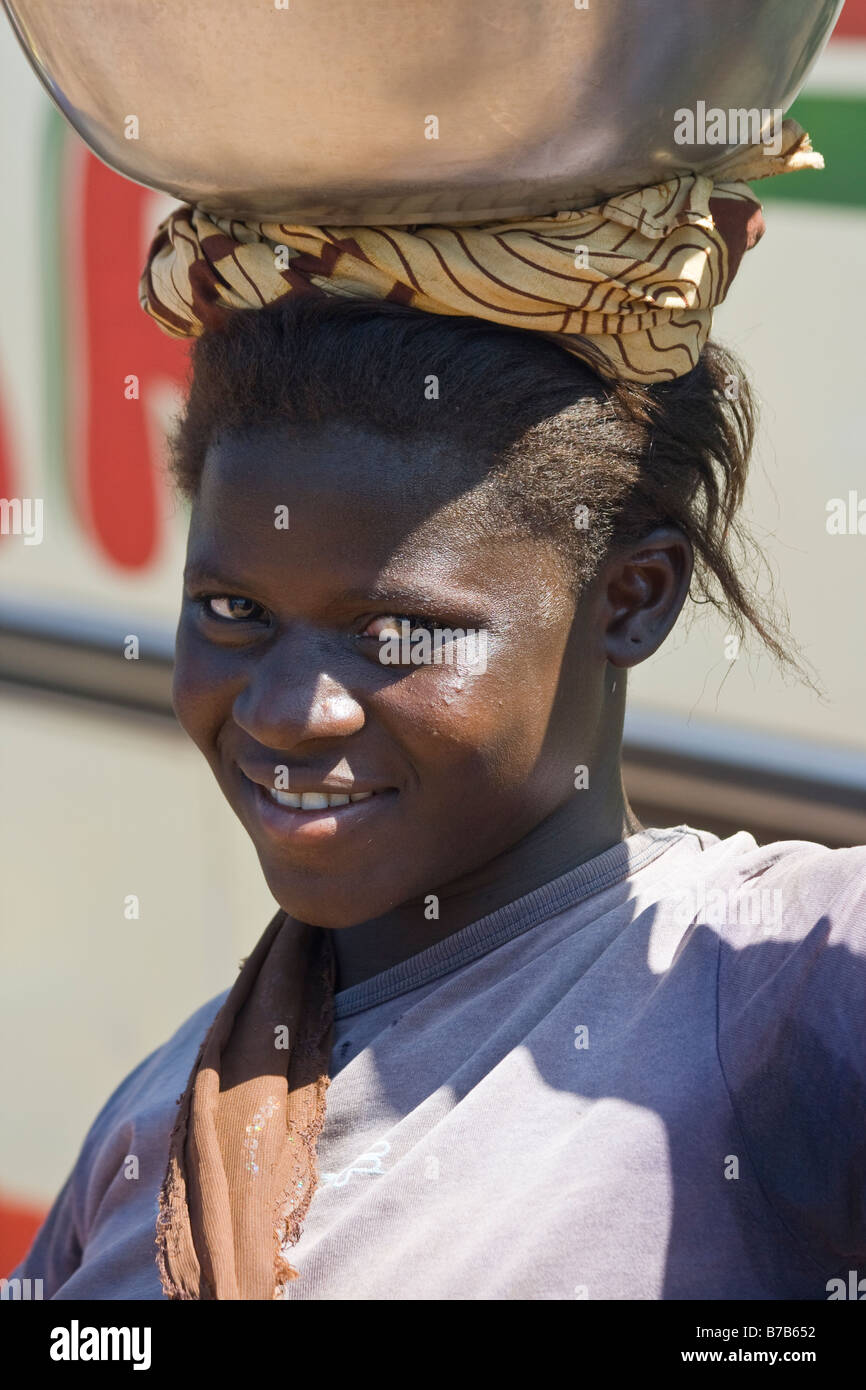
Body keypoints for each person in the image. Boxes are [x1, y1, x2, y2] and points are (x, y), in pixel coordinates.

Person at [13, 294, 865, 1301]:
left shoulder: (764, 984)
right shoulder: (153, 1119)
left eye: (395, 633)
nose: (289, 711)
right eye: (233, 611)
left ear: (631, 597)